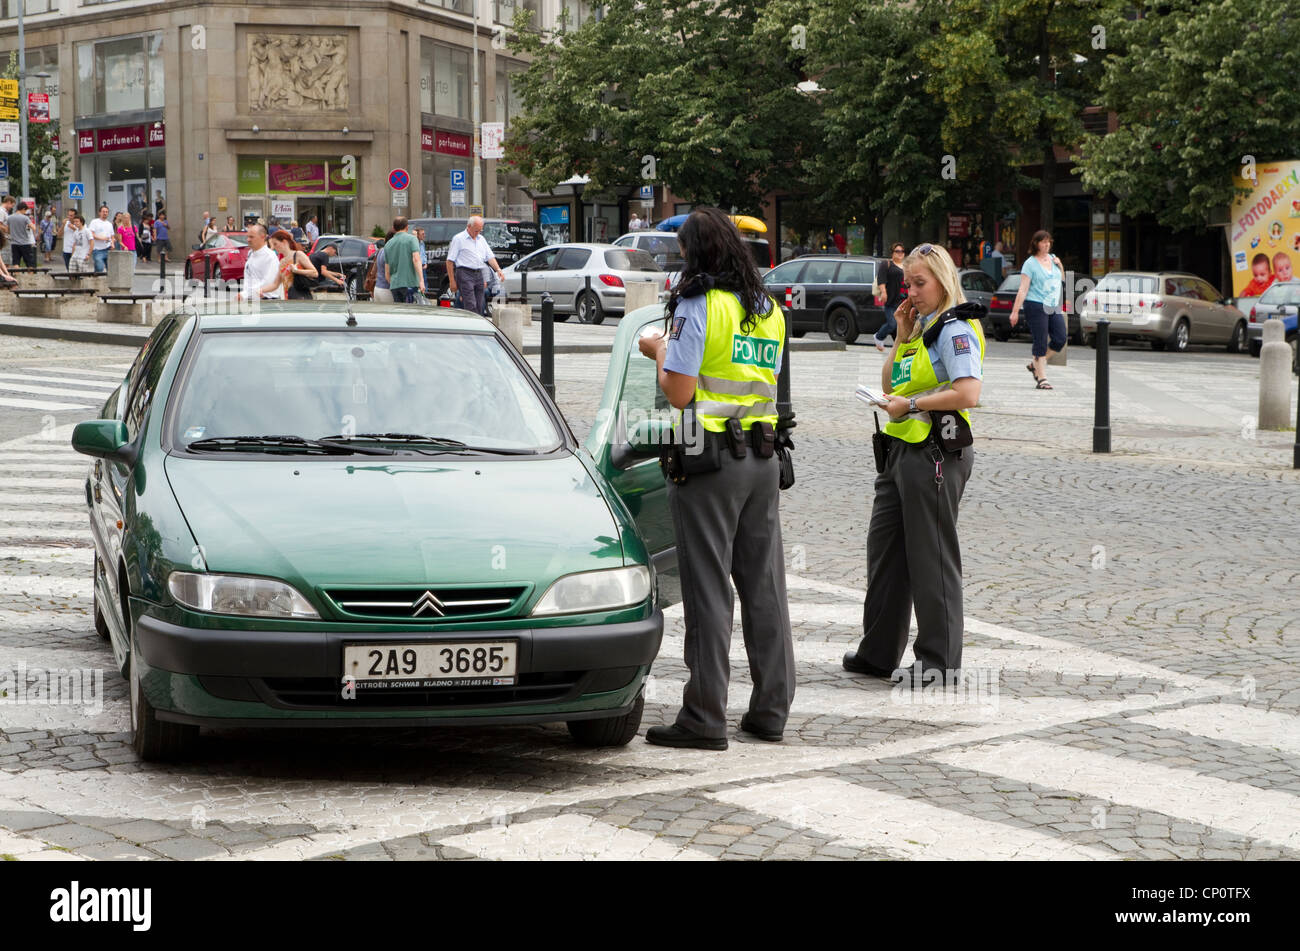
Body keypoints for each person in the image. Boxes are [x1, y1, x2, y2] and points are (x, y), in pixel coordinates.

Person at [636, 206, 796, 750]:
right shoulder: (767, 308)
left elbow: (680, 392)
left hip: (709, 462)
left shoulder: (696, 302)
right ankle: (771, 709)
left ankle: (704, 717)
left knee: (708, 589)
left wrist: (660, 350)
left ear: (694, 253)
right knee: (764, 586)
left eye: (682, 252)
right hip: (763, 459)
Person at [844, 243, 984, 686]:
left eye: (920, 283)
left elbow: (968, 393)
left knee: (931, 556)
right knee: (885, 553)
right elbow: (891, 383)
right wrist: (902, 335)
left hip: (936, 451)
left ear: (943, 280)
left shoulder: (955, 329)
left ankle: (939, 661)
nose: (912, 292)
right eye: (908, 283)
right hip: (901, 450)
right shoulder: (921, 328)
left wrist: (913, 404)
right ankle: (878, 651)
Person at [1008, 229, 1065, 390]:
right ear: (1036, 244)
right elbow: (1023, 289)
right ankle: (1042, 378)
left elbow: (1061, 280)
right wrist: (1015, 311)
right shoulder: (1030, 263)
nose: (1047, 245)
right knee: (1040, 340)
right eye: (1043, 242)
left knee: (1060, 338)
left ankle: (1035, 364)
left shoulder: (1053, 259)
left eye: (1049, 242)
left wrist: (1060, 265)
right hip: (1035, 304)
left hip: (1052, 305)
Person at [445, 215, 504, 315]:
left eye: (480, 231)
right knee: (470, 303)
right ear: (469, 226)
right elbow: (449, 261)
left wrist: (498, 270)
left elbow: (490, 257)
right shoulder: (459, 239)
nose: (478, 233)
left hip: (478, 273)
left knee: (480, 303)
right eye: (476, 230)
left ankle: (477, 321)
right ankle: (472, 322)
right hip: (464, 272)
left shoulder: (481, 239)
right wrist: (452, 281)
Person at [874, 242, 908, 352]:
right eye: (897, 251)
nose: (900, 253)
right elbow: (881, 279)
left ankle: (899, 347)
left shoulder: (906, 266)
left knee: (900, 326)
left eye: (902, 251)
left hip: (903, 301)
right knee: (892, 324)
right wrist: (883, 292)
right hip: (891, 300)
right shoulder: (887, 264)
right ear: (892, 253)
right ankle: (878, 337)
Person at [385, 217, 425, 304]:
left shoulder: (388, 244)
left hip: (395, 285)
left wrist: (393, 283)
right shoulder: (412, 239)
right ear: (407, 227)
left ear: (394, 228)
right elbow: (416, 259)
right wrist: (421, 280)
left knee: (398, 311)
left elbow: (387, 272)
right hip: (410, 283)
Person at [239, 223, 282, 301]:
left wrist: (245, 294)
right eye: (247, 237)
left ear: (262, 237)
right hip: (251, 300)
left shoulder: (270, 257)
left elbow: (269, 282)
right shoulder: (250, 253)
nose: (248, 240)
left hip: (267, 302)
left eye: (251, 237)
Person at [269, 229, 318, 300]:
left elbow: (315, 273)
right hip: (289, 298)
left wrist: (297, 271)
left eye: (275, 244)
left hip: (301, 298)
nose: (273, 247)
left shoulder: (298, 255)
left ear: (284, 242)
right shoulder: (282, 262)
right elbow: (275, 284)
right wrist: (260, 290)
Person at [7, 202, 37, 268]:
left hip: (14, 243)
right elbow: (34, 228)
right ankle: (30, 274)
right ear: (23, 209)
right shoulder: (25, 218)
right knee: (29, 263)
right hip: (25, 243)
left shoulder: (9, 217)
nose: (25, 212)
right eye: (25, 210)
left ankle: (17, 274)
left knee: (16, 262)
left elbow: (8, 230)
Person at [369, 231, 395, 303]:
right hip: (386, 289)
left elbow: (373, 271)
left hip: (377, 288)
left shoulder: (381, 251)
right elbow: (388, 274)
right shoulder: (389, 252)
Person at [88, 206, 114, 274]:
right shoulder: (94, 222)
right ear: (99, 213)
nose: (105, 213)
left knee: (111, 269)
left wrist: (112, 244)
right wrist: (102, 238)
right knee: (100, 268)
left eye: (106, 212)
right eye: (103, 212)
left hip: (108, 249)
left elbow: (112, 236)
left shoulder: (109, 224)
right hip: (97, 250)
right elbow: (91, 234)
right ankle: (97, 279)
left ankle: (108, 281)